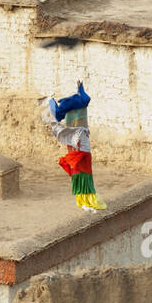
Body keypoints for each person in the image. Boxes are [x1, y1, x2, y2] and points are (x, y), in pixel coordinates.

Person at [43, 82, 106, 211]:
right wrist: (80, 89)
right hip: (78, 145)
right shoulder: (77, 106)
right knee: (80, 172)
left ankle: (84, 200)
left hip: (78, 145)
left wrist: (80, 89)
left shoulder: (74, 108)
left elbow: (58, 116)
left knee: (80, 173)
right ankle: (84, 201)